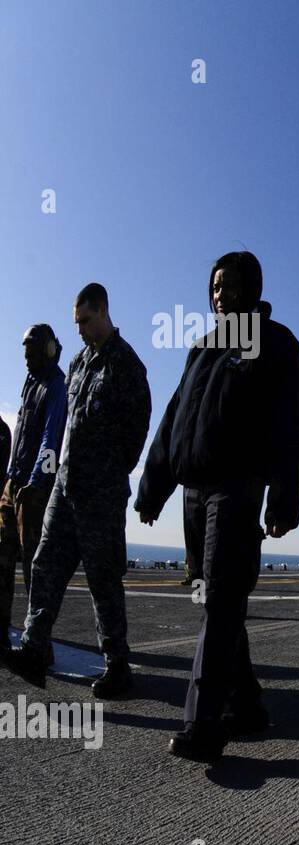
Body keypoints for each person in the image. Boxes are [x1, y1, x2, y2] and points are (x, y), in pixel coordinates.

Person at [137, 252, 299, 761]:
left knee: (221, 600)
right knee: (215, 599)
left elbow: (289, 427)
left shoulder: (276, 344)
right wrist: (153, 487)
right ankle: (247, 704)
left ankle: (203, 724)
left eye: (228, 286)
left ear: (252, 288)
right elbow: (174, 420)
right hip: (194, 492)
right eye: (212, 286)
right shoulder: (202, 349)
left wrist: (284, 498)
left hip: (238, 489)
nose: (218, 294)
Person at [3, 284, 150, 697]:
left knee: (103, 580)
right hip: (65, 485)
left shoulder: (126, 364)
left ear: (102, 310)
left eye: (85, 320)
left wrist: (109, 471)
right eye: (76, 323)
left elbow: (137, 428)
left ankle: (117, 665)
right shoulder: (80, 361)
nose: (80, 329)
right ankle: (34, 648)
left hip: (100, 492)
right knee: (45, 563)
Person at [0, 324, 66, 636]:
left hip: (33, 489)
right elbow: (21, 433)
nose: (26, 361)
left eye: (31, 355)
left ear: (48, 351)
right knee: (2, 557)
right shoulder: (30, 380)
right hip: (13, 483)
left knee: (33, 568)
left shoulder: (56, 385)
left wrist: (38, 481)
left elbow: (51, 440)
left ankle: (37, 640)